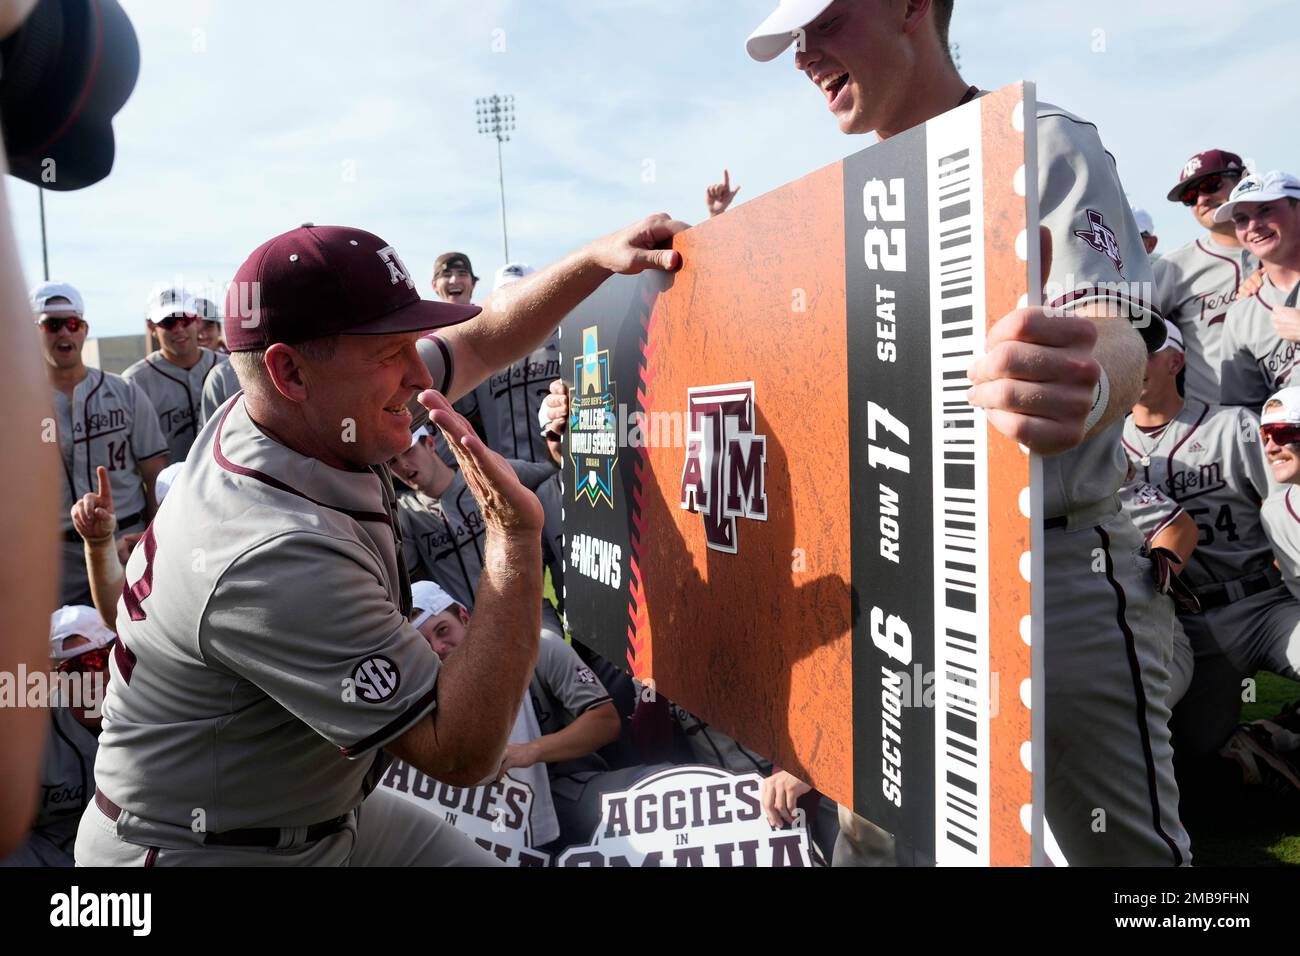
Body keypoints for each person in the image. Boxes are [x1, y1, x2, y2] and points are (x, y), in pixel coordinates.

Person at [76, 215, 685, 866]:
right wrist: (512, 541)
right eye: (388, 353)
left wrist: (592, 259)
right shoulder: (272, 549)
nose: (416, 375)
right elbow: (459, 751)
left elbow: (477, 340)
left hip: (309, 805)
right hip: (204, 846)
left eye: (412, 344)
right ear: (290, 372)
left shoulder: (289, 410)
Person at [742, 0, 1186, 865]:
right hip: (896, 590)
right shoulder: (837, 204)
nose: (805, 55)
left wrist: (1082, 385)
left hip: (1051, 569)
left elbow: (1119, 329)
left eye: (825, 22)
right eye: (796, 37)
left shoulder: (1038, 140)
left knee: (1126, 865)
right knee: (877, 849)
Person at [1121, 318, 1289, 754]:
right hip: (1182, 624)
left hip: (1262, 607)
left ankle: (1287, 734)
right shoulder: (1105, 447)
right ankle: (1268, 740)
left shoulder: (1234, 426)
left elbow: (1289, 502)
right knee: (1198, 754)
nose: (1136, 363)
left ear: (1176, 361)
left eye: (1149, 353)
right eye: (1128, 353)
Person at [388, 579, 626, 853]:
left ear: (465, 618)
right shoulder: (418, 690)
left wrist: (529, 751)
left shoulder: (537, 647)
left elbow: (606, 721)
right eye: (424, 643)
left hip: (566, 782)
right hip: (484, 810)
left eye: (443, 630)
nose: (438, 647)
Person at [33, 281, 168, 606]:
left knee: (136, 645)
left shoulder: (126, 391)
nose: (64, 333)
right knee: (63, 652)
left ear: (84, 329)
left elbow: (155, 475)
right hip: (55, 556)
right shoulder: (16, 405)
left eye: (72, 324)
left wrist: (155, 539)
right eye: (52, 325)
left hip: (126, 541)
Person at [387, 426, 564, 639]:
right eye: (392, 462)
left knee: (551, 647)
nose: (403, 465)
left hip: (528, 612)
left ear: (431, 443)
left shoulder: (485, 473)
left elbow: (552, 475)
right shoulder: (406, 513)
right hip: (470, 636)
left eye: (408, 450)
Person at [1, 606, 112, 867]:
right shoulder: (26, 728)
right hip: (43, 849)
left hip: (124, 847)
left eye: (103, 658)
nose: (96, 675)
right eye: (78, 668)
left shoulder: (150, 706)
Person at [1153, 150, 1255, 406]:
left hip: (1287, 416)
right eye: (1189, 196)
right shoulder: (1174, 266)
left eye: (1211, 185)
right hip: (1213, 421)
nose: (1202, 198)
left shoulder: (1284, 248)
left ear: (1244, 179)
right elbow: (1128, 326)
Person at [1217, 171, 1300, 408]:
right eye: (1241, 219)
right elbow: (1244, 410)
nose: (1253, 226)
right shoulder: (1241, 315)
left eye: (1265, 210)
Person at [467, 263, 562, 464]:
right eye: (505, 293)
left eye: (520, 290)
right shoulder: (482, 356)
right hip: (507, 477)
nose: (513, 301)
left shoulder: (564, 341)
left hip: (558, 474)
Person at [122, 287, 228, 462]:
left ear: (197, 321)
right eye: (168, 322)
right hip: (172, 486)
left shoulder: (227, 367)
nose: (179, 329)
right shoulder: (134, 380)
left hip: (228, 480)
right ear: (152, 328)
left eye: (185, 319)